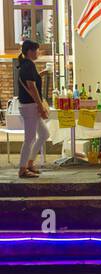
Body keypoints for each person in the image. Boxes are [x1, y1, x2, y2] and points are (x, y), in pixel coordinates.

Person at [15, 39, 49, 179]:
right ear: (30, 51)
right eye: (36, 50)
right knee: (29, 138)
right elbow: (32, 87)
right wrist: (41, 107)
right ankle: (23, 169)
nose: (38, 52)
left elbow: (31, 80)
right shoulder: (28, 65)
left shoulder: (26, 65)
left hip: (28, 105)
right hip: (30, 106)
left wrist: (41, 73)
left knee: (44, 134)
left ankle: (29, 163)